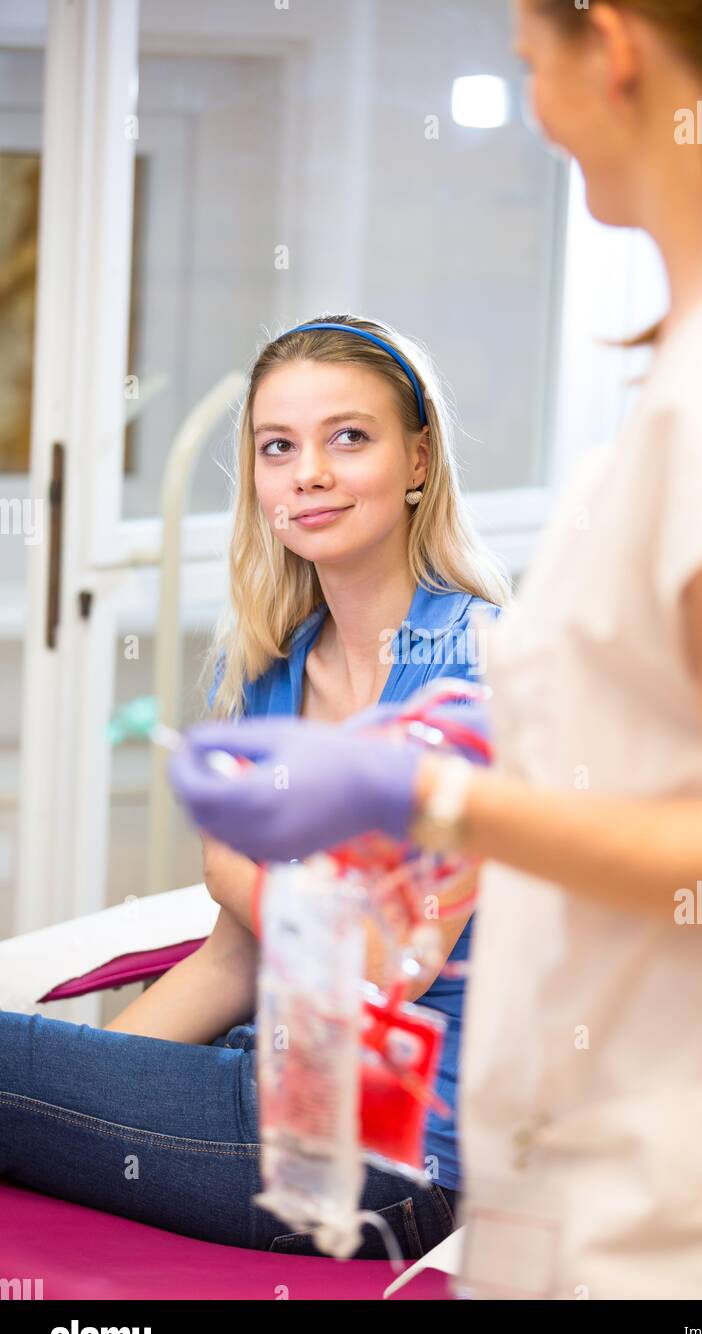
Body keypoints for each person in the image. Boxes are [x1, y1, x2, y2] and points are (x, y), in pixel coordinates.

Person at [171, 2, 702, 1297]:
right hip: (593, 1173)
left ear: (607, 44)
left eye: (523, 49)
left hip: (683, 1213)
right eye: (276, 446)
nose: (521, 84)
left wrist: (423, 792)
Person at [0, 314, 508, 1260]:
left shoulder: (474, 671)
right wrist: (80, 1086)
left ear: (418, 460)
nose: (308, 471)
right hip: (260, 1085)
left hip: (384, 1159)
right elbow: (231, 965)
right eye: (279, 447)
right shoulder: (271, 673)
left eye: (348, 437)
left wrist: (238, 872)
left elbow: (380, 962)